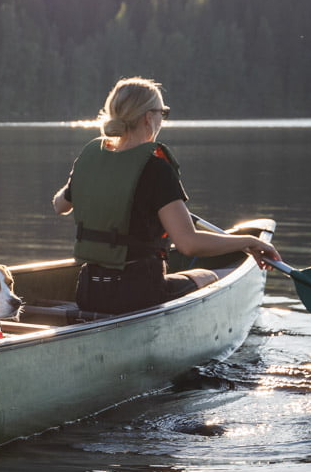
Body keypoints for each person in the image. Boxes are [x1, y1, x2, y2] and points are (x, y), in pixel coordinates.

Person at [52, 76, 282, 314]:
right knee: (207, 275)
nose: (162, 119)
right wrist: (250, 241)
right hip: (138, 293)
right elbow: (188, 244)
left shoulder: (90, 159)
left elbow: (60, 205)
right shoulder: (156, 169)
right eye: (162, 112)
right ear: (148, 118)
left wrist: (77, 181)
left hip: (89, 292)